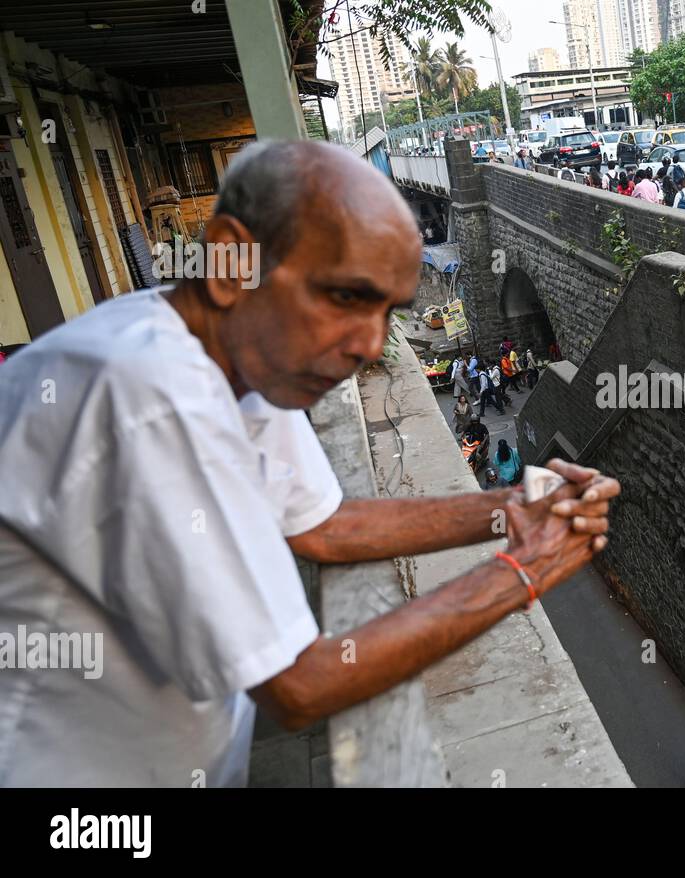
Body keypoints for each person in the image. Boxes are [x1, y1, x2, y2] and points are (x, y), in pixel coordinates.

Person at [0, 140, 620, 787]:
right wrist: (524, 571)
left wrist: (515, 506)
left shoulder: (239, 356)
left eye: (387, 312)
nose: (373, 344)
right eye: (348, 297)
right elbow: (299, 685)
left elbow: (326, 527)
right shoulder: (145, 395)